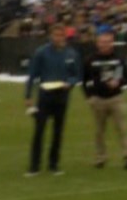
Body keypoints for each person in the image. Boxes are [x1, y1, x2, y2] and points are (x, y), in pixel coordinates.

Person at [25, 24, 83, 175]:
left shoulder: (71, 54)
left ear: (65, 36)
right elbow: (32, 74)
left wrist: (69, 83)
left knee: (58, 132)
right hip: (45, 96)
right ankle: (34, 165)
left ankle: (54, 164)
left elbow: (76, 75)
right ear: (51, 36)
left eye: (61, 35)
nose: (58, 38)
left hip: (62, 96)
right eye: (56, 35)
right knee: (39, 131)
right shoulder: (41, 52)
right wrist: (28, 95)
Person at [82, 32, 127, 169]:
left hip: (116, 98)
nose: (105, 45)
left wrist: (119, 82)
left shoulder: (118, 59)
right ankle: (101, 158)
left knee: (122, 129)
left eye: (107, 42)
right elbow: (84, 80)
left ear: (112, 43)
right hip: (98, 99)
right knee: (99, 131)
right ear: (97, 43)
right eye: (102, 42)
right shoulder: (90, 60)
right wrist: (89, 97)